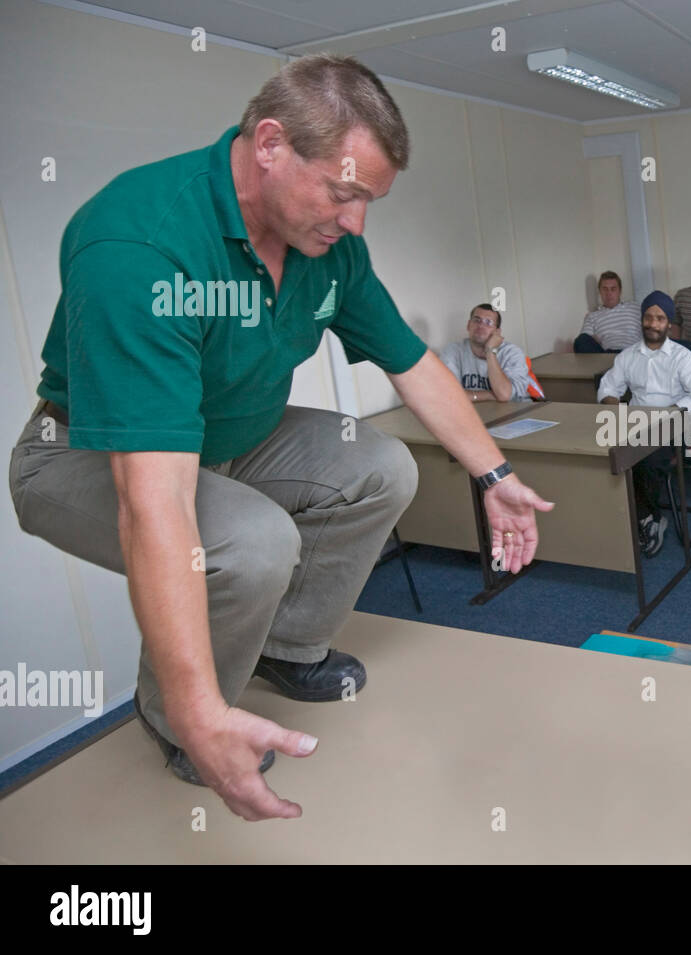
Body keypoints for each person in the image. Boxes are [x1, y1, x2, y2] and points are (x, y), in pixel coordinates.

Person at [8, 54, 552, 822]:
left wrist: (496, 477)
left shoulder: (328, 248)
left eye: (369, 200)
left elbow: (415, 365)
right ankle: (179, 721)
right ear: (269, 143)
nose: (356, 221)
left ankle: (286, 647)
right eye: (343, 192)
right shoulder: (140, 245)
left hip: (232, 438)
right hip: (80, 452)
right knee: (254, 542)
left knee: (383, 466)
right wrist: (198, 708)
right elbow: (152, 497)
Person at [597, 293, 691, 556]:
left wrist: (669, 415)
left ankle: (650, 518)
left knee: (641, 459)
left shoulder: (682, 357)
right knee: (606, 453)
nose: (653, 323)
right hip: (634, 423)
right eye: (648, 317)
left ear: (669, 324)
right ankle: (631, 517)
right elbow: (607, 388)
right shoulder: (628, 356)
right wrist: (616, 409)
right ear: (642, 320)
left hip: (675, 426)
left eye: (660, 318)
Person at [440, 304, 545, 402]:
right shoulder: (453, 351)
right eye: (477, 320)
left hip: (516, 412)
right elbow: (450, 394)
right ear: (468, 325)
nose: (481, 325)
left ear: (497, 332)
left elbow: (504, 395)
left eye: (488, 322)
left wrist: (491, 351)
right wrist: (492, 395)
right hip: (477, 412)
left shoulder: (512, 353)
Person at [574, 271, 642, 353]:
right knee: (581, 340)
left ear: (620, 291)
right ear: (600, 291)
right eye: (605, 289)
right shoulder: (592, 317)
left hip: (632, 353)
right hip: (608, 356)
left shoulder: (635, 307)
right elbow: (586, 341)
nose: (609, 293)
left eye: (613, 289)